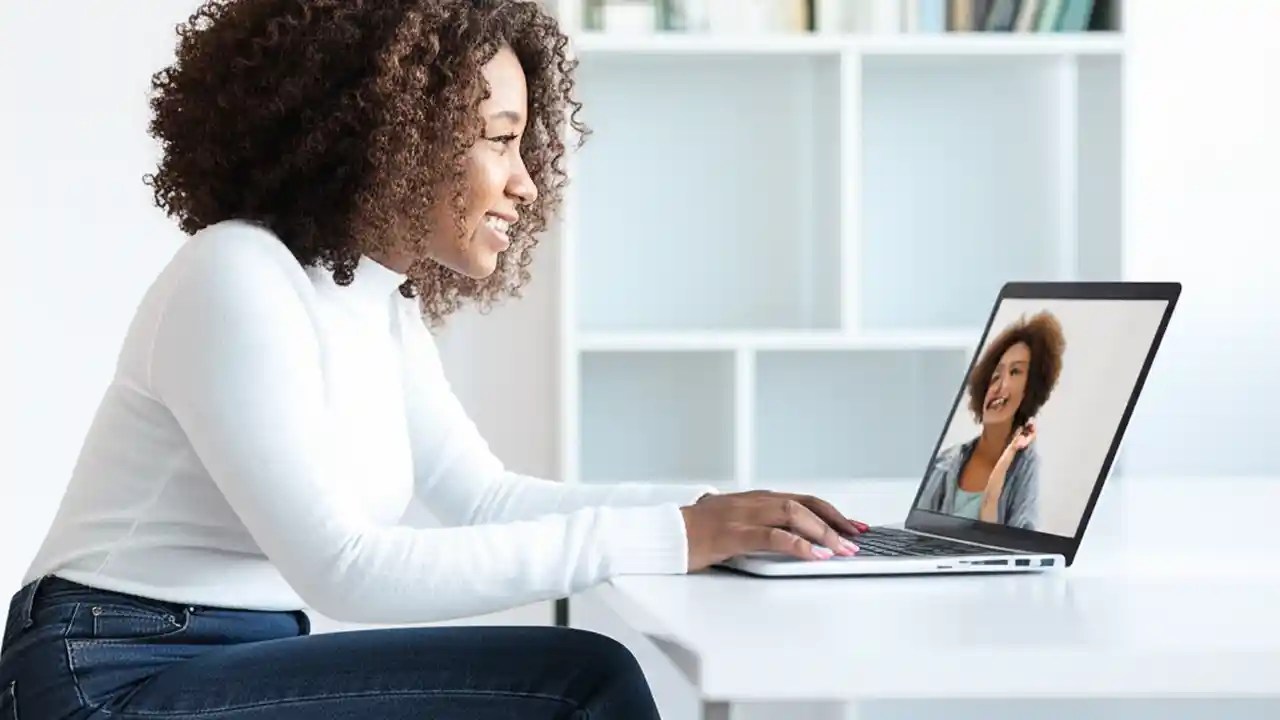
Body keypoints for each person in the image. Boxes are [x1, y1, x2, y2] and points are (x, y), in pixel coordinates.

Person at [0, 2, 870, 718]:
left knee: (584, 679)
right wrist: (672, 537)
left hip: (220, 660)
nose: (527, 181)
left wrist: (716, 513)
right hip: (106, 675)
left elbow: (484, 499)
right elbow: (344, 568)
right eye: (500, 138)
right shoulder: (235, 276)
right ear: (395, 130)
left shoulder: (377, 303)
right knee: (582, 684)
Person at [917, 310, 1066, 530]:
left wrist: (1004, 463)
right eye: (995, 375)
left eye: (1015, 372)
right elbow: (917, 534)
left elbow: (1012, 549)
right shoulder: (945, 462)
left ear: (1031, 388)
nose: (1000, 386)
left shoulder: (1028, 470)